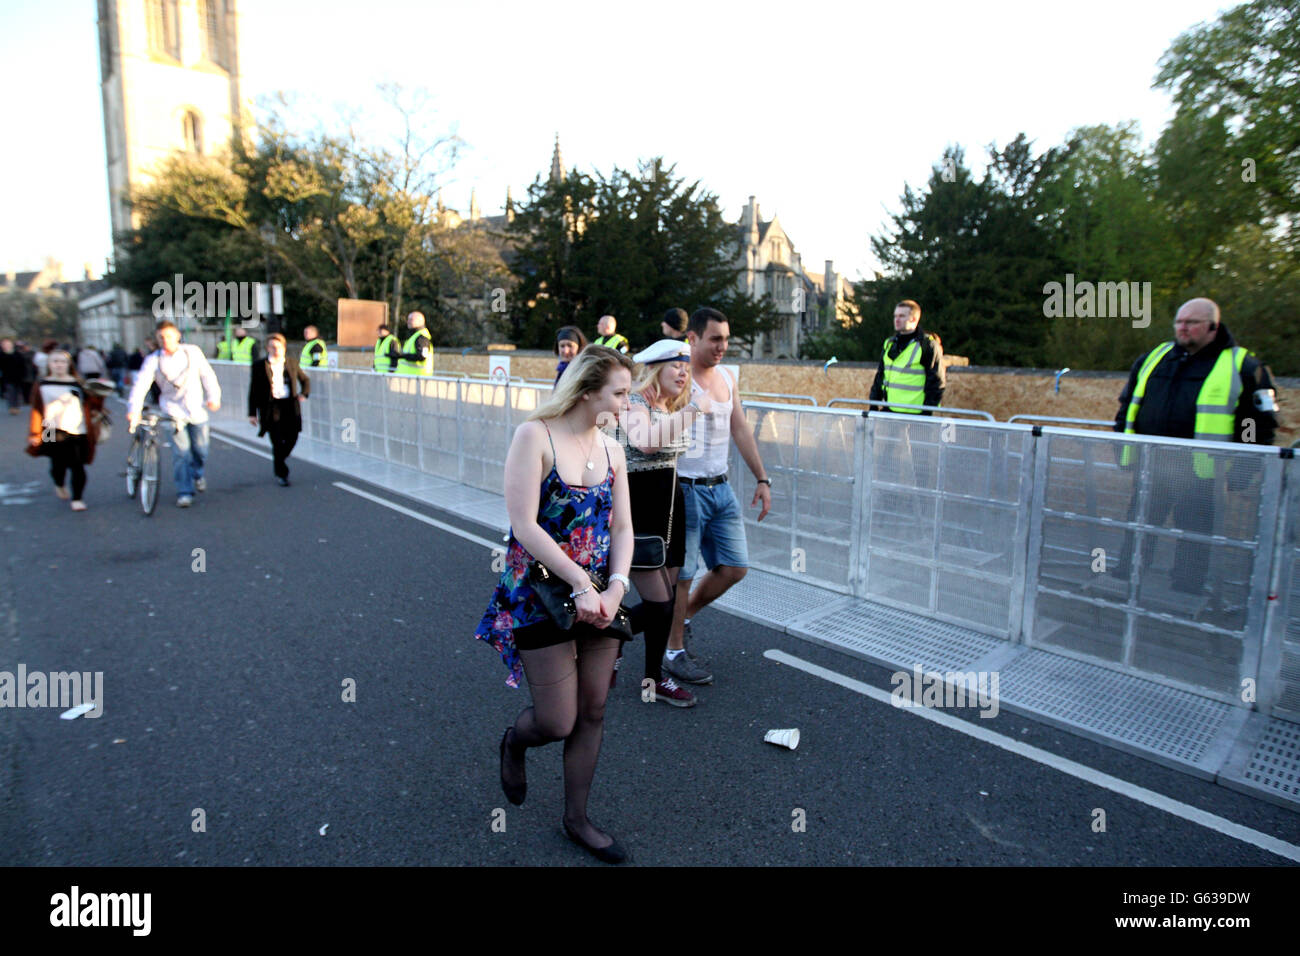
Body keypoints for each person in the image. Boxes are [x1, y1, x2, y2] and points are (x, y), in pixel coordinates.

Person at [474, 345, 635, 864]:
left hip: (599, 597)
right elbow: (524, 525)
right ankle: (515, 743)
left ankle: (576, 819)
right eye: (620, 393)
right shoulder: (534, 436)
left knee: (593, 709)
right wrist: (580, 585)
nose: (628, 404)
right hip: (541, 594)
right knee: (558, 720)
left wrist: (614, 587)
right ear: (589, 391)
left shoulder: (613, 449)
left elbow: (623, 527)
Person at [1112, 297, 1278, 595]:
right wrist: (1122, 451)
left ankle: (1185, 592)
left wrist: (1243, 469)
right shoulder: (1154, 357)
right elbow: (1127, 406)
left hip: (1203, 475)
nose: (1183, 328)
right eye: (1179, 321)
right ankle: (1124, 580)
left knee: (1195, 537)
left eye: (1191, 322)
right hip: (1153, 465)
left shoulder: (1245, 366)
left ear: (1213, 327)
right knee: (1138, 528)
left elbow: (1256, 424)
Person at [665, 307, 772, 685]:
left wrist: (762, 478)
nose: (722, 346)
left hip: (721, 489)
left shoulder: (727, 377)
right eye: (715, 339)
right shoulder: (676, 377)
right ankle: (673, 652)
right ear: (691, 338)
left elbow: (739, 427)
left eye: (726, 339)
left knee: (734, 567)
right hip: (685, 489)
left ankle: (683, 618)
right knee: (682, 575)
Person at [611, 338, 711, 707]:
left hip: (671, 506)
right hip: (638, 507)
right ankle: (608, 635)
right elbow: (647, 443)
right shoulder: (633, 402)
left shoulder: (670, 406)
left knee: (666, 599)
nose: (684, 372)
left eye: (687, 366)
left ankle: (651, 679)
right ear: (655, 369)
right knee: (660, 605)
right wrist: (696, 409)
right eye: (675, 365)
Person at [126, 320, 222, 508]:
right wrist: (134, 410)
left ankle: (198, 473)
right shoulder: (153, 360)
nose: (165, 340)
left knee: (201, 450)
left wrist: (214, 397)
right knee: (181, 453)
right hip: (172, 411)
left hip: (196, 408)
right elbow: (141, 385)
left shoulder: (192, 352)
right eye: (161, 337)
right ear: (157, 338)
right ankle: (184, 492)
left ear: (177, 335)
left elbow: (207, 375)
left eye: (169, 336)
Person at [25, 350, 104, 512]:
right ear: (48, 365)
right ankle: (59, 483)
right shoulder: (42, 384)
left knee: (77, 466)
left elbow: (94, 406)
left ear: (69, 365)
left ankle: (77, 498)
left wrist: (100, 393)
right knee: (57, 465)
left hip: (78, 429)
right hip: (51, 429)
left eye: (62, 362)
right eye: (55, 361)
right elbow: (36, 410)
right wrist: (34, 433)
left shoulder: (78, 383)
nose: (59, 365)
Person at [248, 333, 310, 486]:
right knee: (276, 441)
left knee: (292, 437)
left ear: (284, 347)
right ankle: (282, 474)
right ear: (268, 348)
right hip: (270, 407)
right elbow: (254, 390)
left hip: (289, 405)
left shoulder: (292, 363)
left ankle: (279, 459)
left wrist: (304, 394)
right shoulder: (259, 366)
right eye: (272, 347)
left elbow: (305, 379)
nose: (276, 350)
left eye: (279, 347)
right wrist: (252, 413)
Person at [868, 299, 945, 414]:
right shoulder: (889, 344)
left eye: (901, 316)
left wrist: (927, 413)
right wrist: (873, 406)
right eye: (895, 316)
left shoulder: (927, 345)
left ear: (913, 319)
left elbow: (936, 383)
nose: (896, 320)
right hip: (890, 410)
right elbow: (880, 377)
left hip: (915, 414)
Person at [397, 311, 433, 375]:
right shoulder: (414, 336)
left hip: (417, 378)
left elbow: (422, 356)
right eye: (408, 320)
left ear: (420, 321)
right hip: (410, 377)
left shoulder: (421, 337)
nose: (408, 322)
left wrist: (403, 356)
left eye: (411, 320)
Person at [1, 337, 26, 415]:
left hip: (18, 377)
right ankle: (12, 407)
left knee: (18, 393)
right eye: (4, 344)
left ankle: (17, 407)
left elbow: (23, 365)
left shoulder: (17, 354)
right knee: (10, 392)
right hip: (7, 377)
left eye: (8, 344)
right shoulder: (1, 355)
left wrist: (23, 375)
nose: (6, 346)